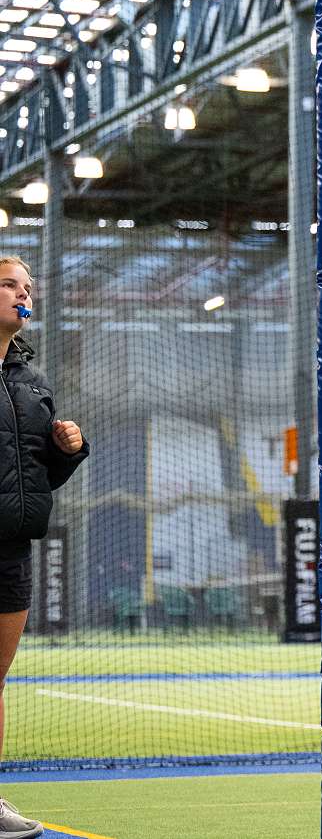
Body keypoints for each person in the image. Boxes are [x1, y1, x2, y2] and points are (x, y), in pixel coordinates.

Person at [0, 257, 85, 839]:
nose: (22, 294)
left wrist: (66, 450)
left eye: (27, 288)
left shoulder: (33, 383)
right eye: (9, 283)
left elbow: (33, 477)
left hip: (9, 549)